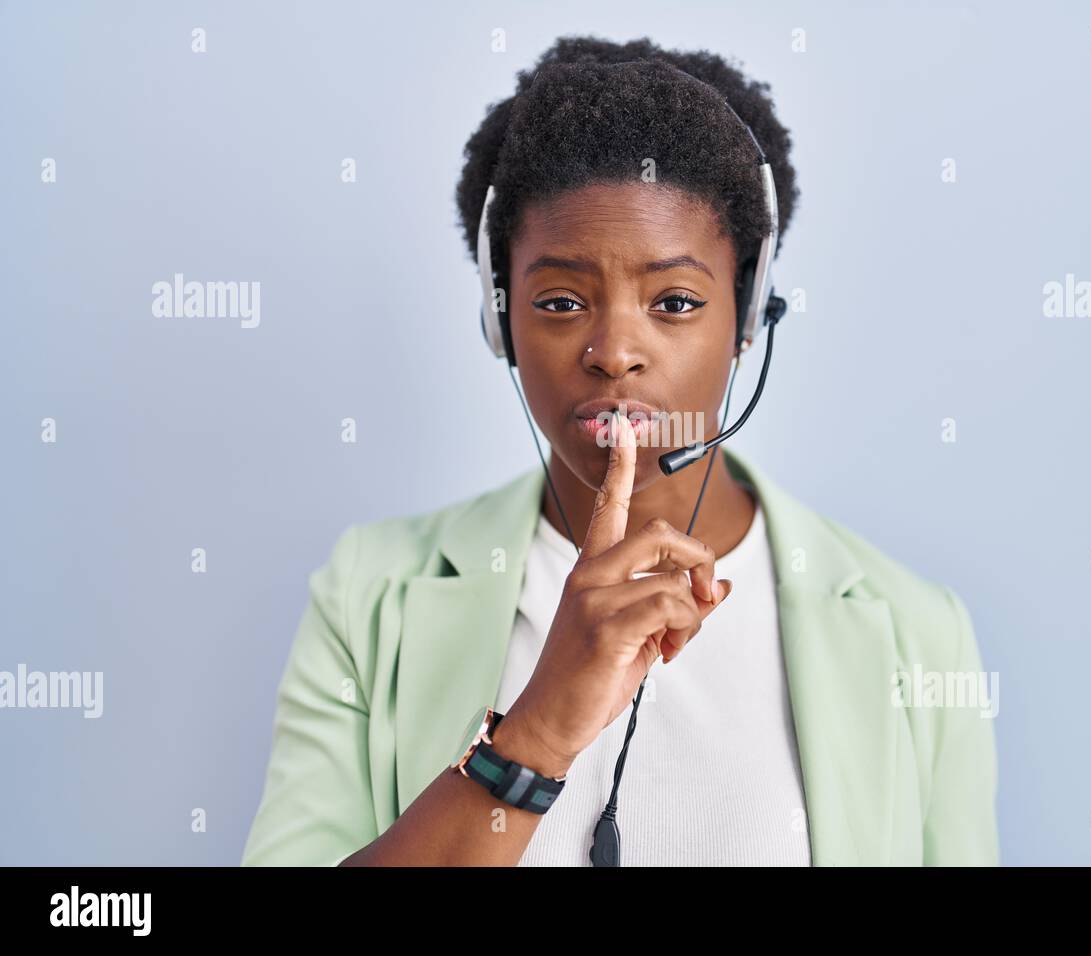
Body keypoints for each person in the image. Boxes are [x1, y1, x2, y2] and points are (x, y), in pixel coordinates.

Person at [241, 35, 998, 867]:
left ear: (746, 318)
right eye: (561, 300)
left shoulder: (917, 633)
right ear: (502, 322)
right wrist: (535, 733)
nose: (614, 351)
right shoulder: (370, 594)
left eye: (674, 300)